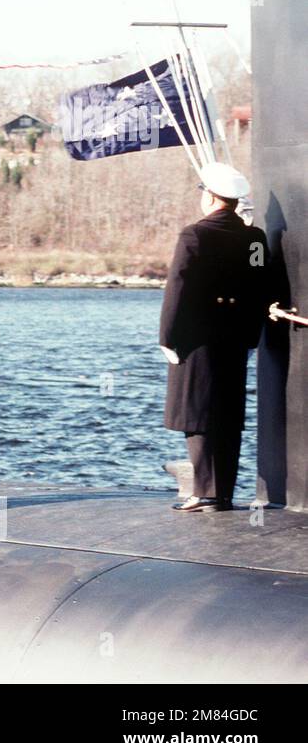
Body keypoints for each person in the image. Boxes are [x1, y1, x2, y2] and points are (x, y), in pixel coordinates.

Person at [160, 162, 272, 512]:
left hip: (197, 338)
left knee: (195, 413)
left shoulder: (195, 234)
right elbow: (259, 287)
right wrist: (252, 335)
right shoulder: (254, 239)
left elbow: (177, 286)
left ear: (210, 197)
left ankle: (204, 493)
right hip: (235, 339)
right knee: (227, 413)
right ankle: (221, 492)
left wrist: (167, 337)